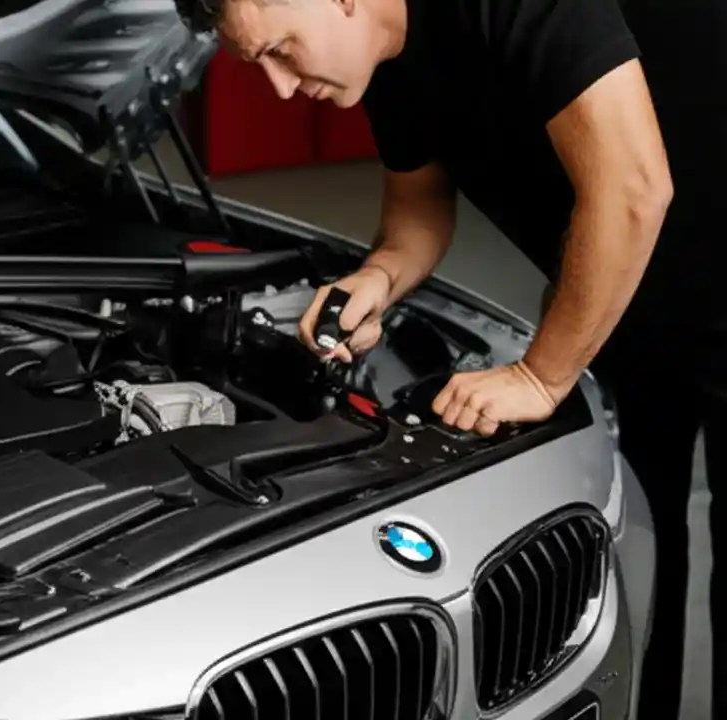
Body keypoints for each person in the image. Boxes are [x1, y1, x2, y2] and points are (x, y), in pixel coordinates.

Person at [174, 0, 724, 717]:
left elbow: (633, 187)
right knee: (643, 554)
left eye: (280, 49)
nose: (278, 86)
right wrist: (376, 279)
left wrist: (540, 374)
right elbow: (417, 215)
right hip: (636, 300)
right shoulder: (393, 65)